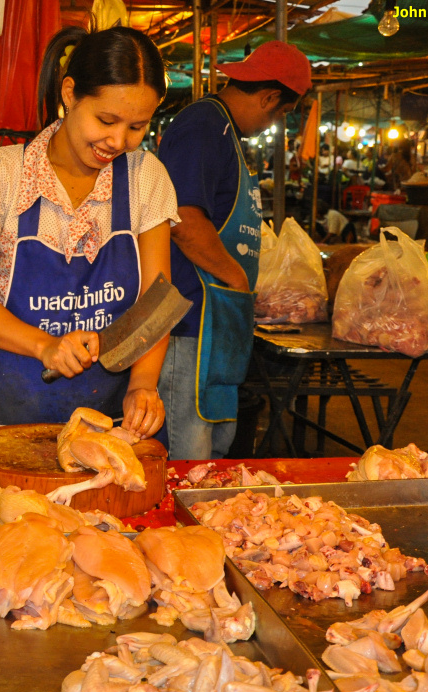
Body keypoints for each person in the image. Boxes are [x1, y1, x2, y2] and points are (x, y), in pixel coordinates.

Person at [0, 24, 178, 436]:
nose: (119, 140)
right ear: (69, 93)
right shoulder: (0, 174)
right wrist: (45, 345)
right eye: (106, 119)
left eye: (137, 127)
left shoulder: (146, 178)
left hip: (115, 425)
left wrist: (142, 384)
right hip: (17, 420)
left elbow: (155, 303)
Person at [155, 40, 311, 460]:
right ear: (269, 97)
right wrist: (237, 279)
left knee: (211, 451)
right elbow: (183, 220)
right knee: (186, 456)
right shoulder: (204, 126)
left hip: (216, 319)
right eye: (280, 113)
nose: (274, 122)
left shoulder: (222, 130)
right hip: (191, 320)